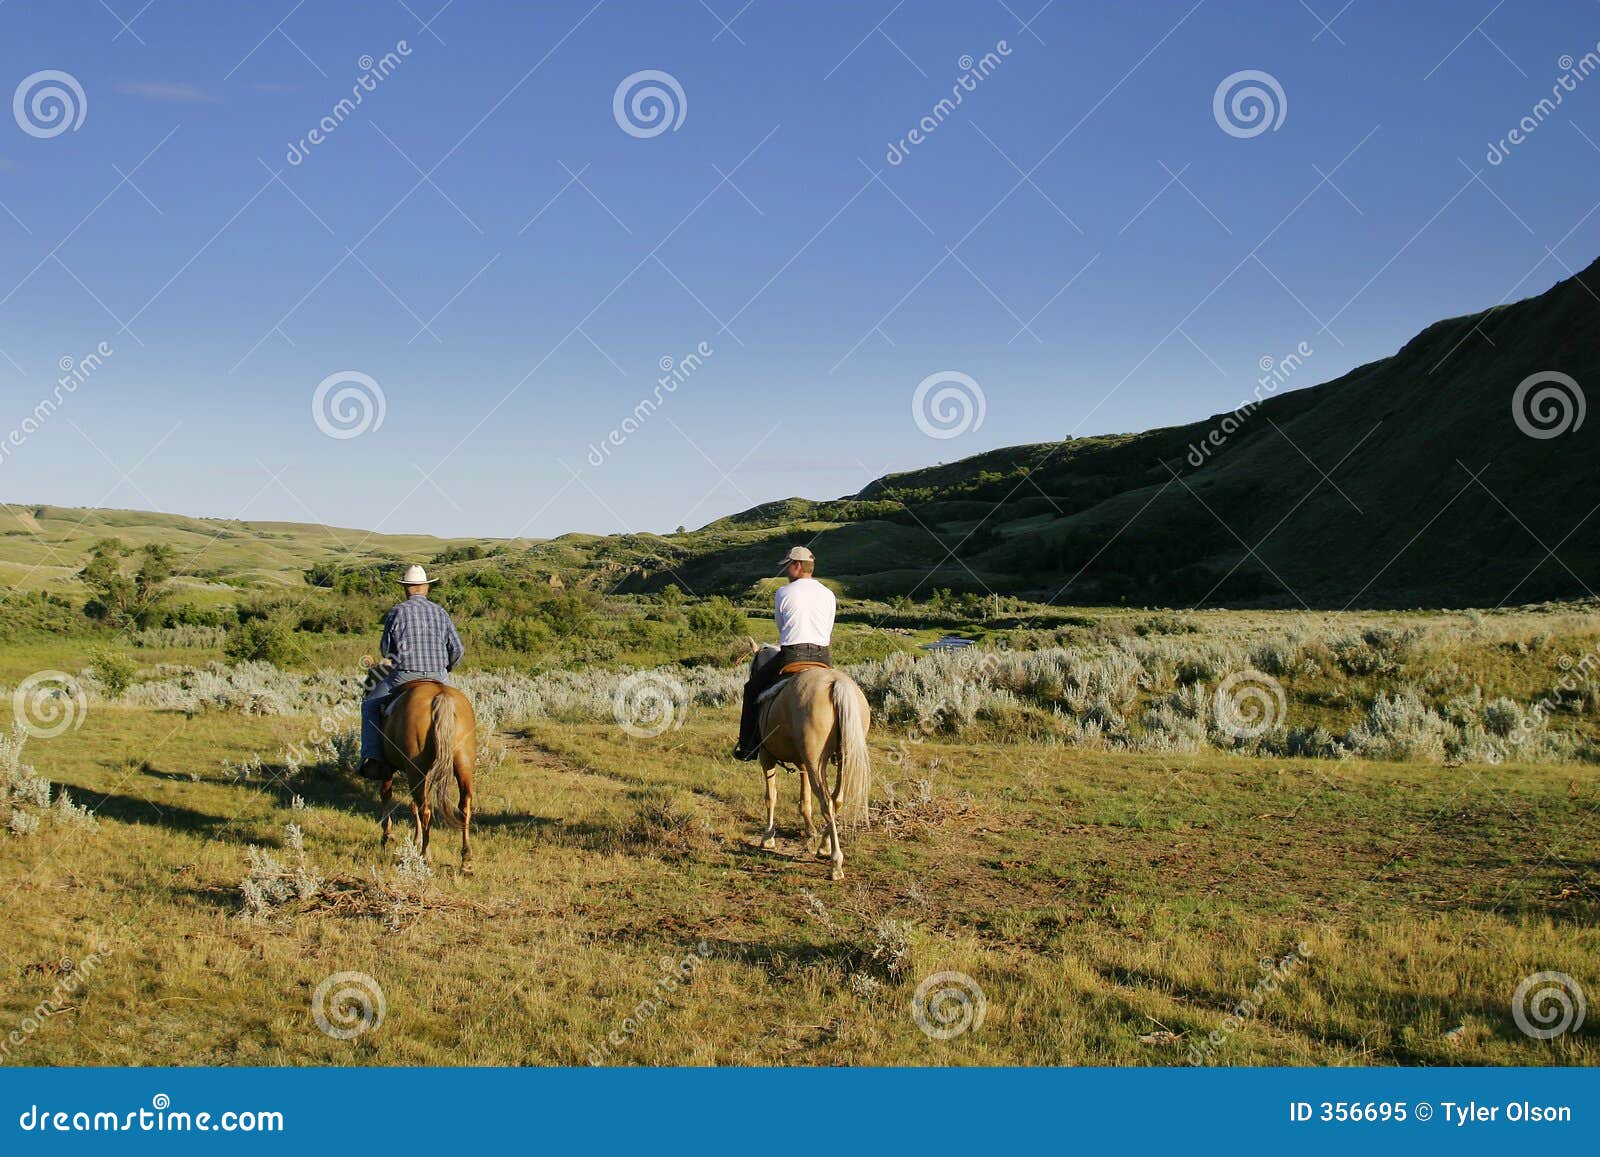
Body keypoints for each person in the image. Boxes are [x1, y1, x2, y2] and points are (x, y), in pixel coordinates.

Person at [358, 564, 465, 779]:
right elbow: (457, 649)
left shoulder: (397, 612)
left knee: (369, 705)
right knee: (461, 709)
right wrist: (445, 669)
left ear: (407, 589)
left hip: (404, 675)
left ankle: (373, 758)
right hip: (439, 676)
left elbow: (386, 650)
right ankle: (464, 755)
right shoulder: (440, 612)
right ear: (425, 587)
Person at [733, 545, 835, 761]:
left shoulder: (783, 592)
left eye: (788, 566)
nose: (786, 571)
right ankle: (838, 749)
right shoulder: (828, 594)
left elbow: (781, 628)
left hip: (792, 655)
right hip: (823, 657)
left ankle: (748, 746)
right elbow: (828, 627)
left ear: (797, 566)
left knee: (751, 688)